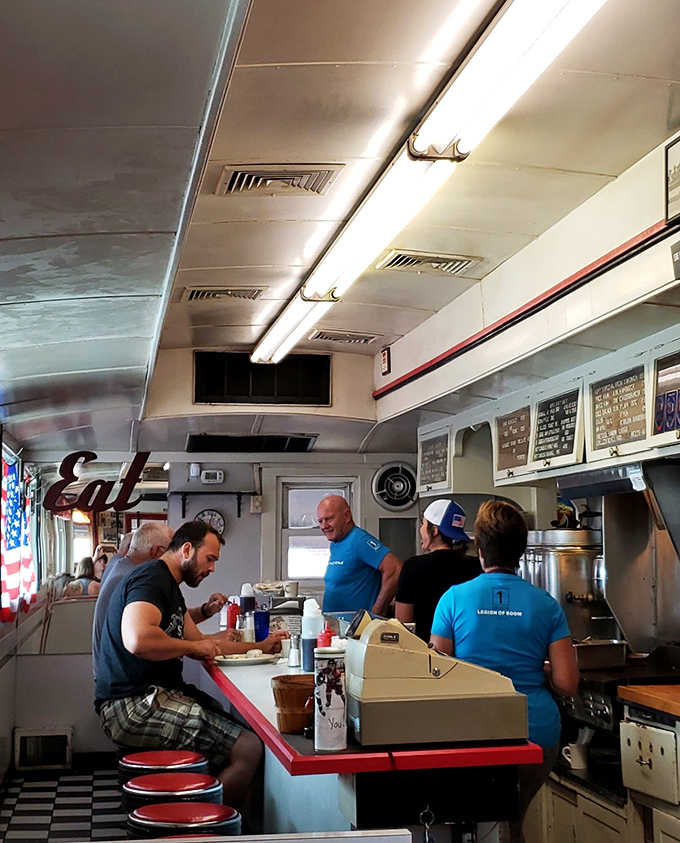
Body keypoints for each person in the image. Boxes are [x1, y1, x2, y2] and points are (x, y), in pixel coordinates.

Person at [95, 520, 287, 808]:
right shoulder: (151, 578)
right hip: (132, 704)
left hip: (149, 696)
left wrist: (259, 646)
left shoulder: (169, 586)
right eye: (209, 559)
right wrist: (195, 646)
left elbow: (204, 644)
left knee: (232, 725)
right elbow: (138, 639)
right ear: (186, 550)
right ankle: (204, 829)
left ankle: (207, 814)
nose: (212, 569)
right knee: (247, 748)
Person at [430, 500, 579, 843]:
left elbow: (437, 672)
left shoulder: (453, 599)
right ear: (521, 552)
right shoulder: (546, 604)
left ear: (480, 549)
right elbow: (567, 683)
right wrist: (533, 670)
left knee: (480, 824)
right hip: (536, 735)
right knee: (510, 822)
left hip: (472, 733)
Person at [92, 521, 233, 678]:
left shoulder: (132, 571)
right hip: (127, 683)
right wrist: (194, 646)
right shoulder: (144, 578)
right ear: (158, 552)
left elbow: (167, 620)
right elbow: (139, 639)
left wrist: (205, 612)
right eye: (171, 548)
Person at [395, 499, 481, 641]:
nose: (421, 528)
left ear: (434, 530)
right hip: (466, 654)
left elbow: (403, 627)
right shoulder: (476, 567)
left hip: (425, 654)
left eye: (423, 524)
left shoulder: (413, 567)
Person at [317, 495, 402, 615]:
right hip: (338, 627)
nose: (324, 526)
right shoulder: (336, 543)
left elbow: (396, 569)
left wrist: (378, 611)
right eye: (320, 521)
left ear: (347, 516)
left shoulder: (360, 541)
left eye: (329, 519)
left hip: (359, 630)